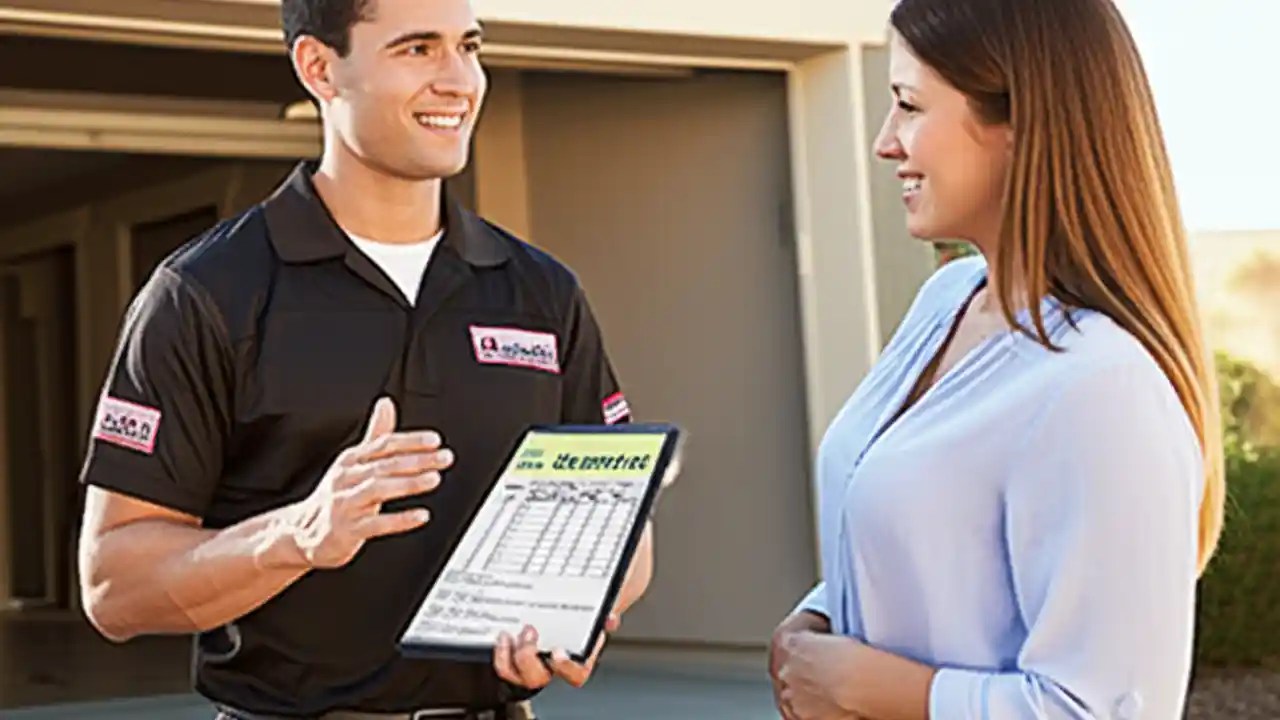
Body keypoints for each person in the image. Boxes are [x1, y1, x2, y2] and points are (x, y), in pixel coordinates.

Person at [75, 0, 653, 717]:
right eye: (417, 50)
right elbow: (112, 588)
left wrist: (578, 614)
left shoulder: (540, 291)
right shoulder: (206, 294)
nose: (460, 80)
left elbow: (626, 531)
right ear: (320, 68)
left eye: (468, 47)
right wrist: (298, 533)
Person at [768, 0, 1224, 718]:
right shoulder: (946, 301)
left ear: (1020, 123)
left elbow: (1099, 708)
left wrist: (872, 690)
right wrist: (818, 621)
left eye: (909, 106)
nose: (887, 143)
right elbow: (930, 538)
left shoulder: (1102, 385)